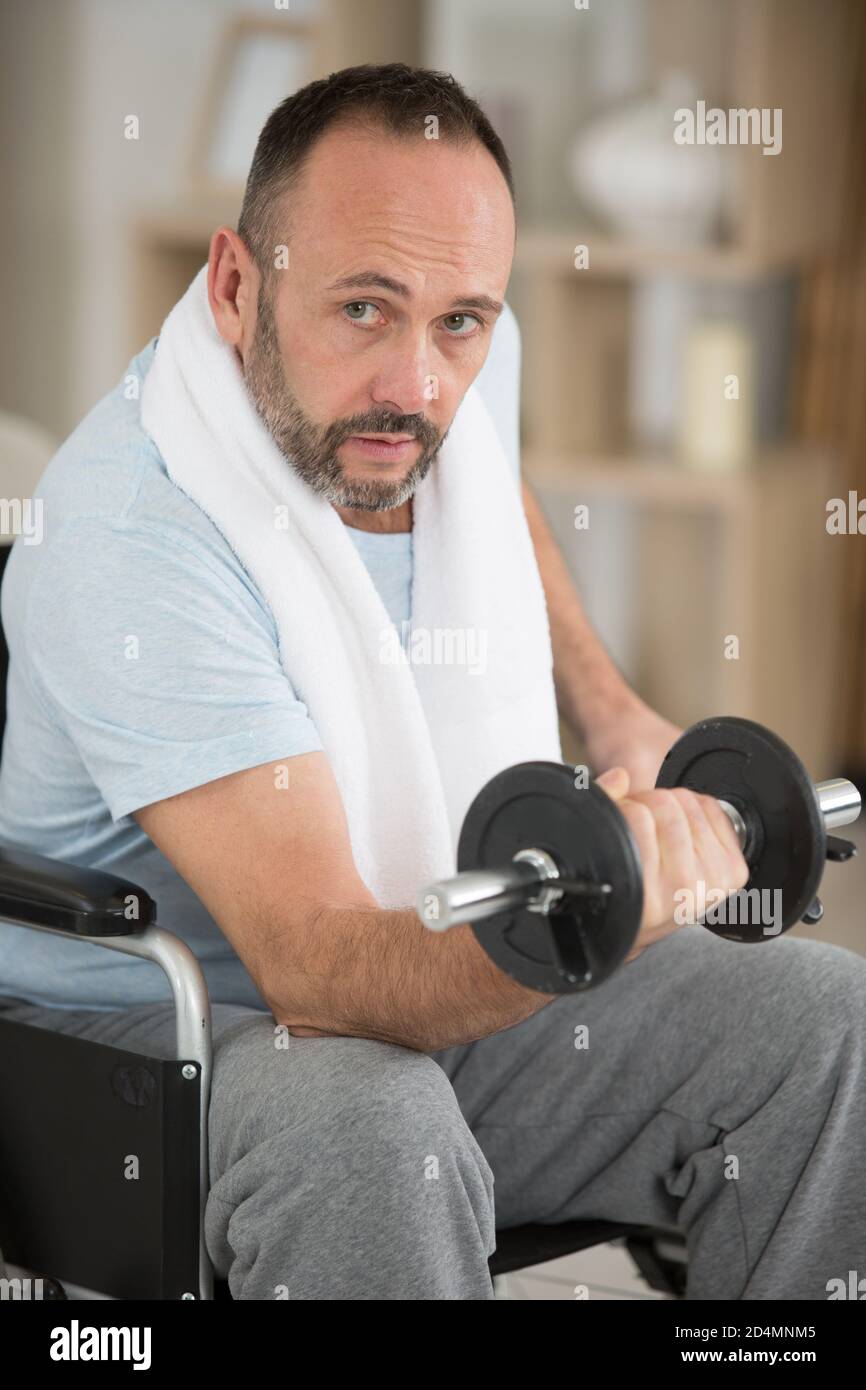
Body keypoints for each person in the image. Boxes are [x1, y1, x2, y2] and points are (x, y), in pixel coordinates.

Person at [0, 64, 863, 1301]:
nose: (416, 385)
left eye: (461, 320)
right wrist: (582, 912)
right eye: (362, 307)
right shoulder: (133, 529)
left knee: (828, 1028)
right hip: (134, 1043)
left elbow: (483, 487)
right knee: (373, 1125)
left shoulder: (425, 388)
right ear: (237, 284)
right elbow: (311, 966)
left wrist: (608, 706)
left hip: (410, 972)